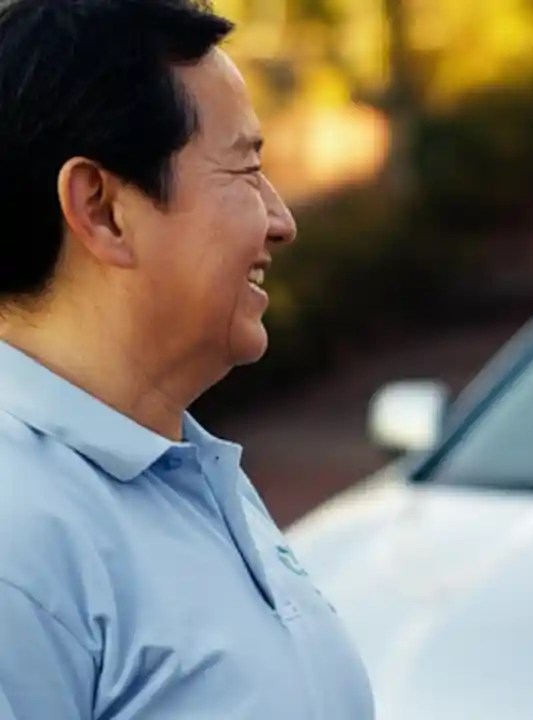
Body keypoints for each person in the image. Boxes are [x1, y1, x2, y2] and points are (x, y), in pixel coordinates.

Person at [0, 1, 374, 718]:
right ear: (103, 209)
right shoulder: (19, 537)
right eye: (247, 169)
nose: (281, 220)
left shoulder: (188, 470)